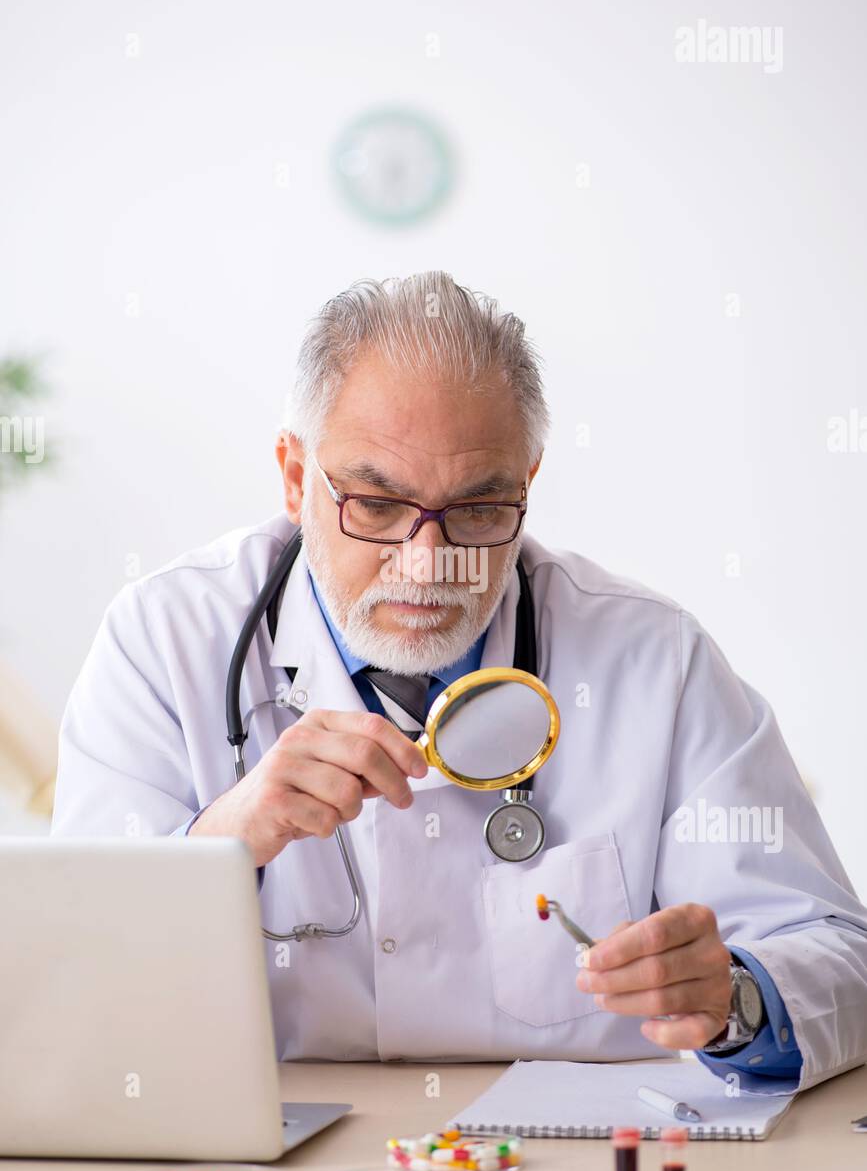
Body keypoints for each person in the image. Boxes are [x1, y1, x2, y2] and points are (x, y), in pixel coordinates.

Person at [52, 271, 867, 1090]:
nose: (426, 562)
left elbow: (838, 954)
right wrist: (225, 842)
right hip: (270, 1169)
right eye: (375, 505)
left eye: (477, 512)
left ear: (527, 483)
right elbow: (67, 973)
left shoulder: (652, 657)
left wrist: (735, 997)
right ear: (296, 477)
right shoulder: (163, 640)